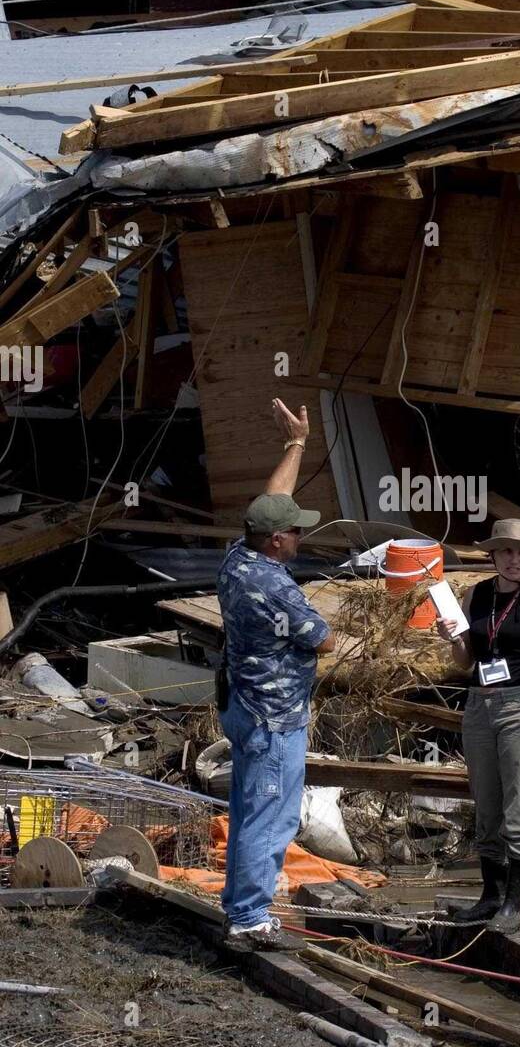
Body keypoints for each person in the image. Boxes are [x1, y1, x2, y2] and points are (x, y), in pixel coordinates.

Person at [217, 399, 335, 943]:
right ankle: (248, 918)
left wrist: (297, 444)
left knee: (248, 811)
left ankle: (241, 904)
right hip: (273, 719)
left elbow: (274, 500)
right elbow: (324, 638)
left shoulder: (237, 558)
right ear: (277, 541)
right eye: (296, 533)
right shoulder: (274, 586)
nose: (301, 537)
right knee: (271, 817)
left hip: (243, 706)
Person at [436, 519, 520, 933]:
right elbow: (466, 661)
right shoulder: (476, 594)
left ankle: (515, 904)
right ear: (492, 556)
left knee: (519, 806)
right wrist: (452, 639)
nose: (514, 559)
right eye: (506, 551)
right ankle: (490, 896)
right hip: (480, 703)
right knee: (487, 805)